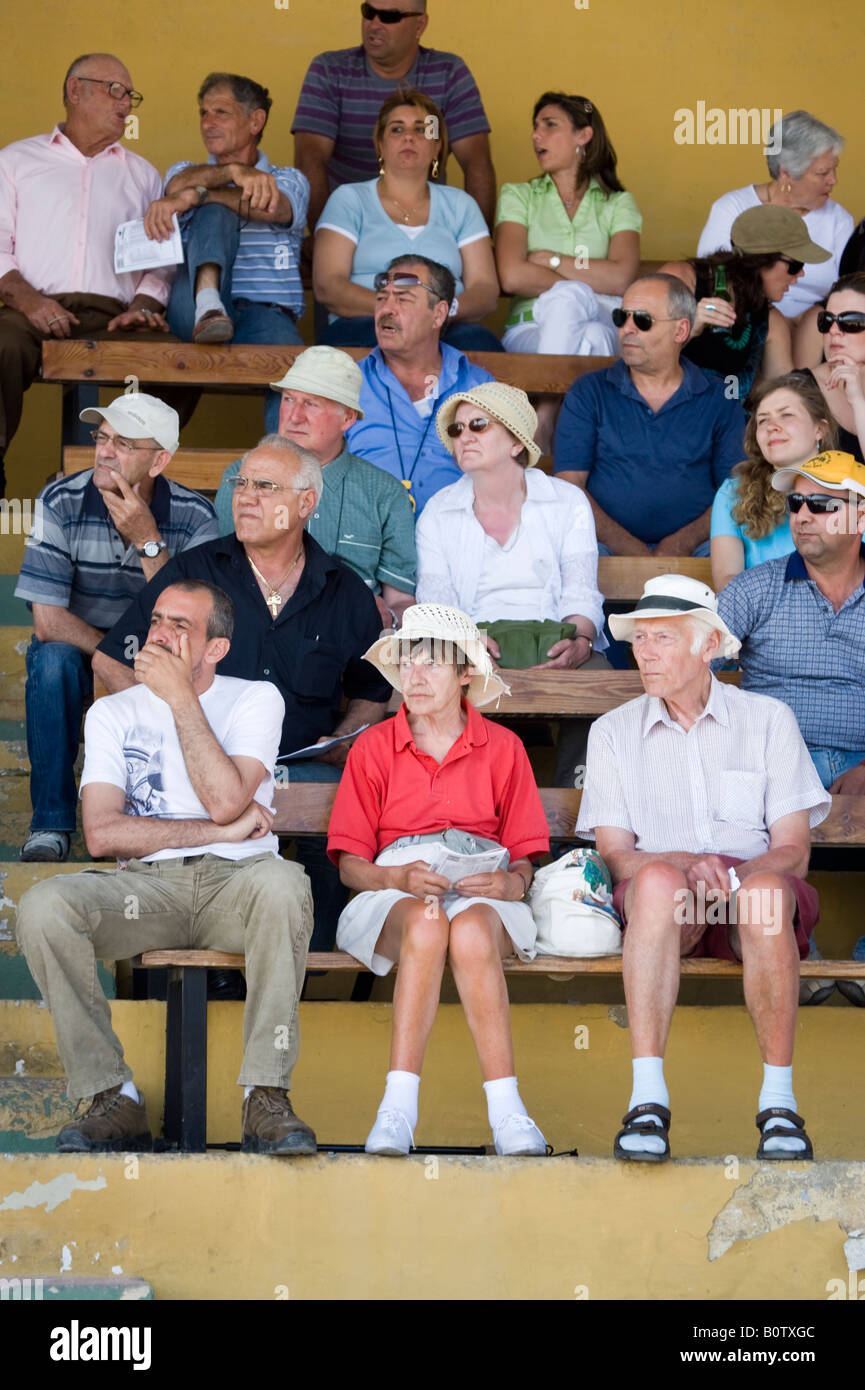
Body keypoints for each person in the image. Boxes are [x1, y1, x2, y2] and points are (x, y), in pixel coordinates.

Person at [16, 580, 317, 1156]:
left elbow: (229, 799)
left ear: (216, 650)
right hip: (147, 890)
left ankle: (265, 1095)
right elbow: (102, 832)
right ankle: (112, 1095)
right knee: (44, 906)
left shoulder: (256, 699)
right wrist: (214, 831)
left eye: (181, 626)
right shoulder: (112, 713)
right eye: (157, 620)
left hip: (241, 886)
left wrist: (181, 698)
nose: (160, 633)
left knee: (284, 885)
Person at [92, 435, 392, 949]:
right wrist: (168, 725)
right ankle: (211, 974)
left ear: (306, 503)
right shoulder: (193, 573)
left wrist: (344, 738)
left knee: (341, 815)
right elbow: (111, 660)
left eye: (265, 486)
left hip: (301, 762)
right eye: (242, 483)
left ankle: (308, 968)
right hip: (205, 756)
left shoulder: (346, 590)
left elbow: (372, 690)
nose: (246, 496)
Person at [577, 575, 830, 1162]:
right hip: (662, 900)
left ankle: (779, 1105)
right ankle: (647, 1101)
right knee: (660, 882)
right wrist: (690, 865)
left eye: (663, 638)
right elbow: (616, 853)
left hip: (753, 891)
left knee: (767, 893)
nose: (645, 653)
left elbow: (794, 848)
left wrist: (734, 877)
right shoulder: (612, 733)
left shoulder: (767, 719)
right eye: (639, 639)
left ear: (708, 646)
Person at [327, 604, 550, 1156]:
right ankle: (397, 1109)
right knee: (428, 925)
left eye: (432, 664)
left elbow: (525, 859)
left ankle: (508, 1113)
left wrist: (509, 886)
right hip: (393, 891)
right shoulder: (374, 747)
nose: (416, 676)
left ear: (466, 675)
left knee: (471, 931)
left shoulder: (504, 749)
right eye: (408, 662)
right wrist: (396, 874)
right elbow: (350, 865)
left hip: (481, 889)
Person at [14, 393, 218, 863]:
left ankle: (159, 820)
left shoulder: (193, 515)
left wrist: (149, 542)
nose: (105, 451)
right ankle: (51, 822)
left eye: (124, 443)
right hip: (81, 648)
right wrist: (108, 659)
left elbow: (194, 620)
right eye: (102, 438)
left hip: (163, 654)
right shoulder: (58, 501)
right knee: (48, 660)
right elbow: (47, 622)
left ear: (159, 460)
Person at [0, 53, 174, 494]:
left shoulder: (142, 175)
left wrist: (142, 305)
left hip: (114, 316)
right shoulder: (16, 161)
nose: (126, 103)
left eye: (130, 95)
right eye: (114, 90)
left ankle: (126, 478)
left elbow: (161, 264)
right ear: (75, 91)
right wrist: (32, 302)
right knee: (1, 345)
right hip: (28, 308)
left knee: (178, 362)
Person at [418, 382, 606, 785]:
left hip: (554, 639)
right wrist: (465, 644)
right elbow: (435, 606)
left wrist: (579, 643)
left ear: (517, 443)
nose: (464, 436)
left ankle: (574, 817)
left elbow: (581, 592)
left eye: (478, 425)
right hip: (471, 647)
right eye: (457, 429)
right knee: (430, 679)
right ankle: (464, 815)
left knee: (599, 681)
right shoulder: (438, 510)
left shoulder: (566, 500)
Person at [214, 346, 416, 627]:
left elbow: (401, 600)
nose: (294, 416)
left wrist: (390, 618)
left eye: (311, 404)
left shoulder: (385, 492)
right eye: (288, 399)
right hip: (258, 632)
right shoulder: (239, 476)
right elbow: (218, 579)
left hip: (352, 641)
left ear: (348, 418)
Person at [554, 274, 746, 556]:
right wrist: (626, 546)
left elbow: (735, 490)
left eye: (642, 320)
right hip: (604, 545)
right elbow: (569, 487)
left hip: (698, 547)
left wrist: (683, 542)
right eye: (621, 317)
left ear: (681, 331)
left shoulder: (720, 398)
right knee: (575, 551)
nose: (627, 329)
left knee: (732, 551)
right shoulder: (589, 391)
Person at [718, 449, 865, 793]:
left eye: (821, 505)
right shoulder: (754, 588)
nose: (801, 515)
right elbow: (689, 671)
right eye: (796, 503)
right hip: (767, 769)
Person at [314, 91, 500, 351]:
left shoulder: (460, 205)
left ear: (437, 145)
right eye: (396, 129)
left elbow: (486, 289)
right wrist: (396, 309)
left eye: (422, 129)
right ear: (380, 144)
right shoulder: (349, 200)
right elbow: (328, 286)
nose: (409, 137)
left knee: (481, 346)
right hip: (365, 325)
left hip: (445, 326)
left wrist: (438, 312)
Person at [292, 1, 495, 231]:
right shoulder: (329, 71)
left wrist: (479, 241)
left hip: (430, 229)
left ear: (420, 25)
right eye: (369, 13)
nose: (374, 24)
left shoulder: (449, 74)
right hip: (349, 226)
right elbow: (309, 157)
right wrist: (326, 235)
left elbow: (476, 161)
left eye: (389, 17)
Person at [143, 72, 308, 347]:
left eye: (221, 112)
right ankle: (208, 302)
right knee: (214, 212)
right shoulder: (184, 172)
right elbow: (176, 187)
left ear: (255, 121)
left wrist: (197, 196)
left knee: (296, 380)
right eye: (204, 113)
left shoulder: (288, 179)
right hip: (190, 309)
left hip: (264, 313)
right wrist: (233, 170)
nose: (208, 123)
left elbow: (274, 208)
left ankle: (212, 309)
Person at [697, 110, 853, 360]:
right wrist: (774, 318)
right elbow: (714, 280)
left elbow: (852, 290)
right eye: (823, 173)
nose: (833, 180)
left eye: (834, 170)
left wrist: (808, 320)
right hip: (747, 324)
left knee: (815, 320)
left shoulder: (839, 220)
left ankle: (802, 391)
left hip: (818, 333)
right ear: (786, 173)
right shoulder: (733, 209)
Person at [495, 91, 641, 357]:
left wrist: (551, 260)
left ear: (583, 135)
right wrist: (585, 280)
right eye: (535, 127)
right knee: (589, 334)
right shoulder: (518, 195)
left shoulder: (619, 202)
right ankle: (558, 401)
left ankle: (546, 399)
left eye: (549, 125)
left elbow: (621, 279)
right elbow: (512, 276)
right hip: (530, 325)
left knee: (576, 306)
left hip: (601, 315)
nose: (536, 135)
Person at [345, 254, 494, 513]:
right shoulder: (346, 384)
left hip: (456, 545)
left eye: (403, 299)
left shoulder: (478, 387)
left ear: (438, 314)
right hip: (367, 547)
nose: (386, 309)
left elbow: (504, 478)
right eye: (381, 299)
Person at [662, 206, 831, 399]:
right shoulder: (684, 280)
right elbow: (642, 351)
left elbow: (782, 393)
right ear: (761, 260)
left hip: (729, 425)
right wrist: (691, 326)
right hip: (667, 417)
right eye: (795, 265)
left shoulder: (771, 321)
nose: (801, 274)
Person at [710, 373, 837, 592]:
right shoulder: (732, 493)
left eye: (786, 415)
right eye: (762, 420)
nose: (772, 426)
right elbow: (727, 581)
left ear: (820, 429)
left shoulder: (848, 489)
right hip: (762, 620)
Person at [795, 274, 865, 463]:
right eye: (827, 320)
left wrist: (859, 402)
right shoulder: (798, 391)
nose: (833, 330)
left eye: (850, 322)